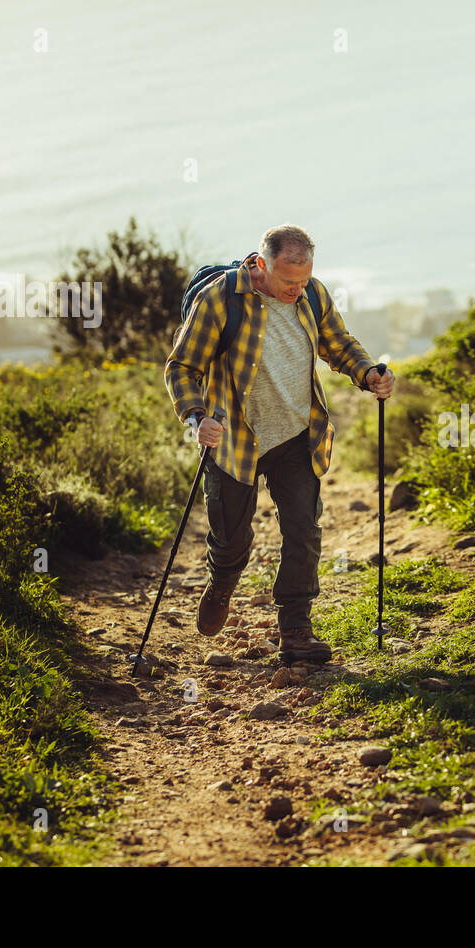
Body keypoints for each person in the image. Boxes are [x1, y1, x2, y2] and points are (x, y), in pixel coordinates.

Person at [164, 224, 394, 665]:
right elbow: (181, 366)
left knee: (303, 532)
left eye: (304, 281)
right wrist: (196, 418)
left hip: (296, 434)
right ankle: (222, 583)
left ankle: (296, 632)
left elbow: (337, 344)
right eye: (288, 282)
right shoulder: (221, 298)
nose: (297, 290)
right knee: (231, 541)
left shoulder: (311, 293)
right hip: (234, 439)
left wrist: (368, 373)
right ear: (262, 265)